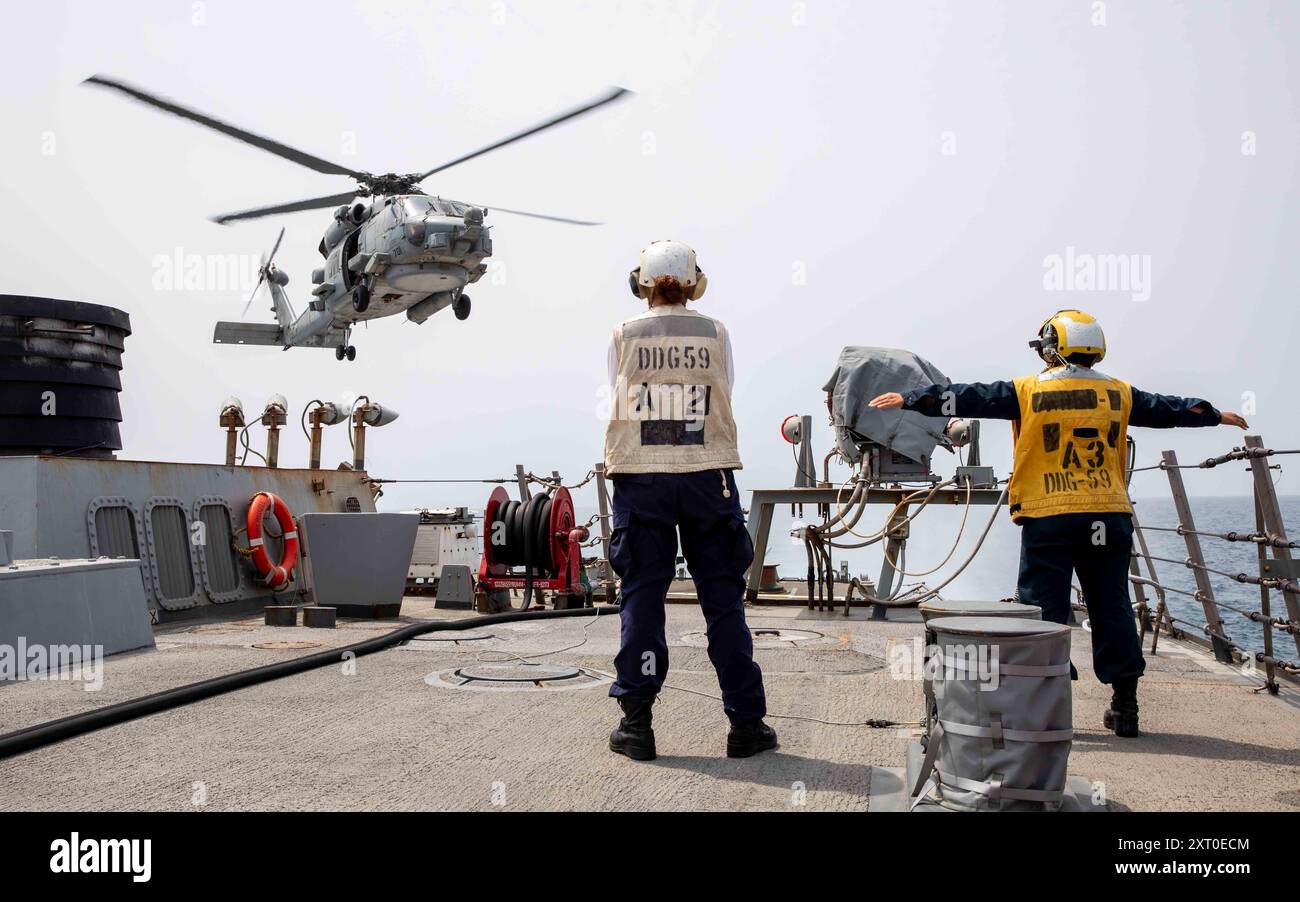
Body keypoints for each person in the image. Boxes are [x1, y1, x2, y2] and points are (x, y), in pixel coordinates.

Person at [868, 309, 1248, 737]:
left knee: (1044, 613)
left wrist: (913, 398)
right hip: (1107, 515)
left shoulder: (1027, 389)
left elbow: (969, 396)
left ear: (1051, 347)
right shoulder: (1119, 393)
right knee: (1112, 607)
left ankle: (1047, 710)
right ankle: (1125, 706)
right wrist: (1216, 414)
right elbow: (1169, 409)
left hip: (1050, 516)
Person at [603, 239, 776, 761]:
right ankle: (745, 726)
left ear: (644, 285)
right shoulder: (715, 332)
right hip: (707, 475)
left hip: (641, 475)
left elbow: (615, 386)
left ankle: (637, 727)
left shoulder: (622, 334)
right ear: (692, 281)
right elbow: (725, 385)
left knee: (643, 597)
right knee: (722, 602)